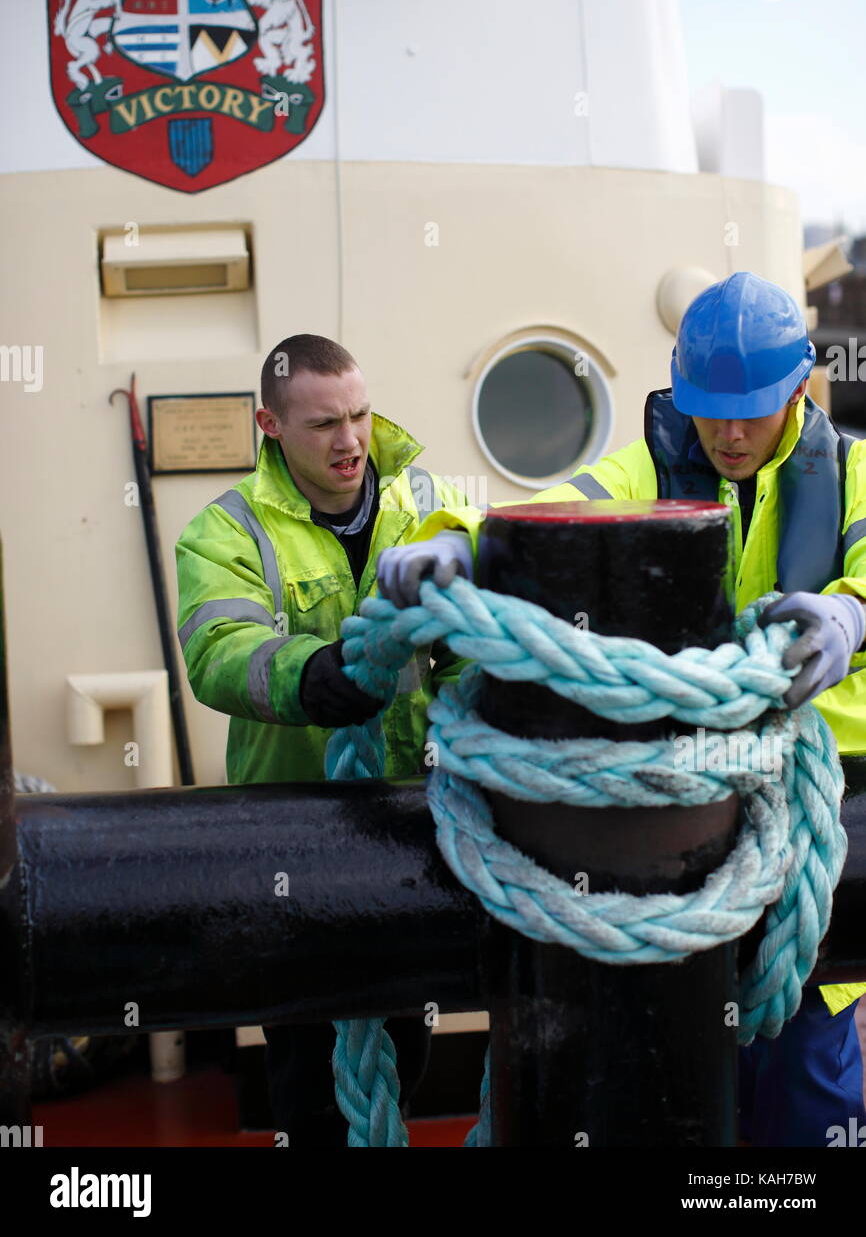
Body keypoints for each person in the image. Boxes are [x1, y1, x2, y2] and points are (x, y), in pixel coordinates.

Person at [378, 271, 866, 1147]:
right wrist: (454, 539)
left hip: (814, 816)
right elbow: (549, 511)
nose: (727, 433)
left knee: (806, 1105)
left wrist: (850, 610)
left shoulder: (857, 475)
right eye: (709, 409)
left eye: (750, 410)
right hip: (675, 816)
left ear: (799, 387)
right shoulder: (646, 461)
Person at [175, 333, 468, 1146]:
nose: (350, 441)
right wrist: (313, 676)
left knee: (403, 1043)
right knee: (308, 1068)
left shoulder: (428, 505)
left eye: (360, 416)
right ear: (269, 424)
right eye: (322, 425)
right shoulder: (224, 533)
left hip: (410, 820)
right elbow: (216, 651)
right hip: (292, 834)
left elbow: (469, 639)